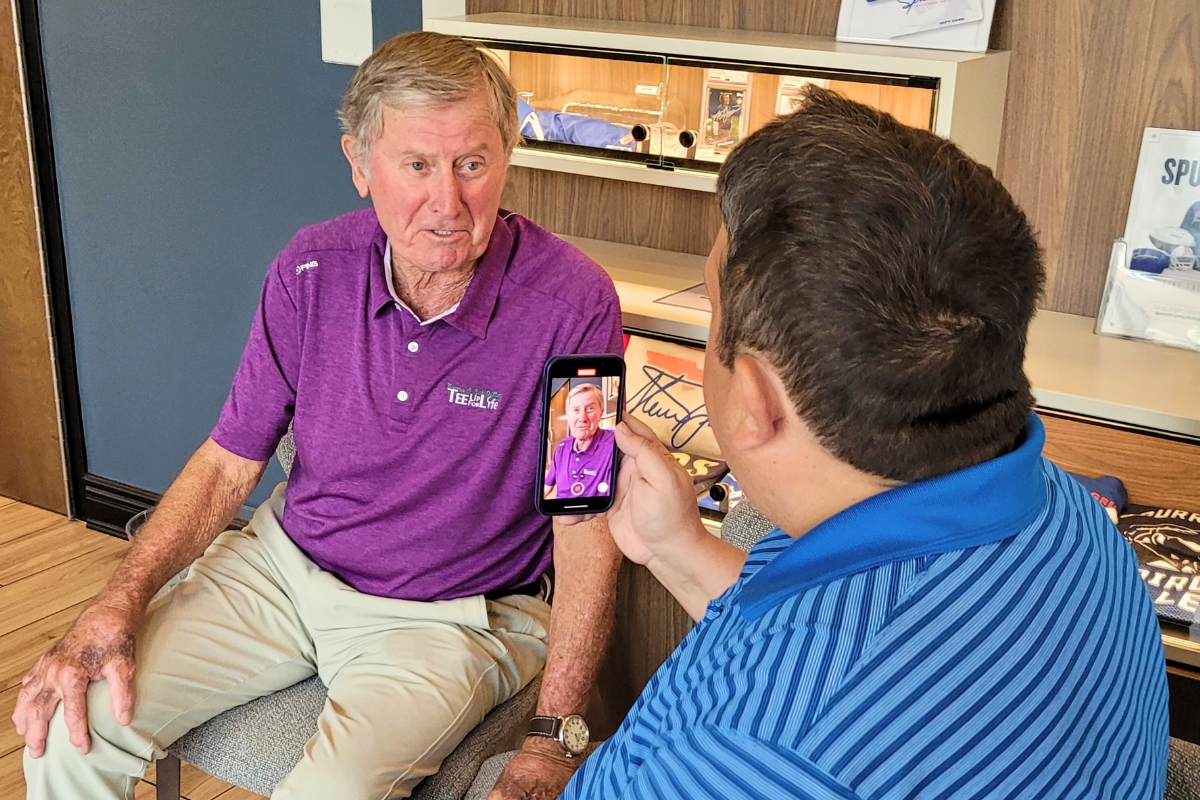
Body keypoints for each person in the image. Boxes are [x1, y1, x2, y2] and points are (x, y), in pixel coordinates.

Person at [14, 32, 624, 800]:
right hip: (280, 570)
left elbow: (583, 523)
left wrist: (553, 732)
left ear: (506, 157)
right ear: (359, 165)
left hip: (449, 618)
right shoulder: (309, 268)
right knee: (67, 736)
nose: (447, 202)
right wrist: (115, 603)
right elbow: (228, 461)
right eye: (416, 165)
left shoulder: (575, 304)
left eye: (472, 163)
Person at [560, 87, 1169, 798]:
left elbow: (810, 707)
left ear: (756, 399)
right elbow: (825, 638)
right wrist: (677, 546)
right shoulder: (1060, 509)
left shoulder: (754, 762)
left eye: (711, 306)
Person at [545, 383, 616, 500]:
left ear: (601, 413)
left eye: (590, 409)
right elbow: (547, 486)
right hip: (560, 510)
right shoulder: (563, 446)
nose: (582, 418)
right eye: (576, 410)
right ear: (568, 415)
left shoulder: (614, 445)